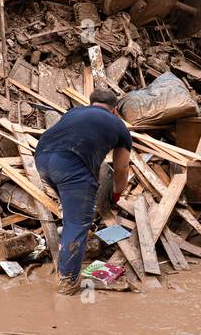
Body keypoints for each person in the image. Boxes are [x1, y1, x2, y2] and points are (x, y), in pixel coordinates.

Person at [34, 88, 133, 296]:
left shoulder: (73, 113)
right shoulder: (118, 126)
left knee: (74, 215)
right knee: (77, 223)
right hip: (71, 165)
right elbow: (122, 169)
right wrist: (116, 194)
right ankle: (67, 284)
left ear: (91, 103)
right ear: (114, 110)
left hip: (41, 158)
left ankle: (72, 246)